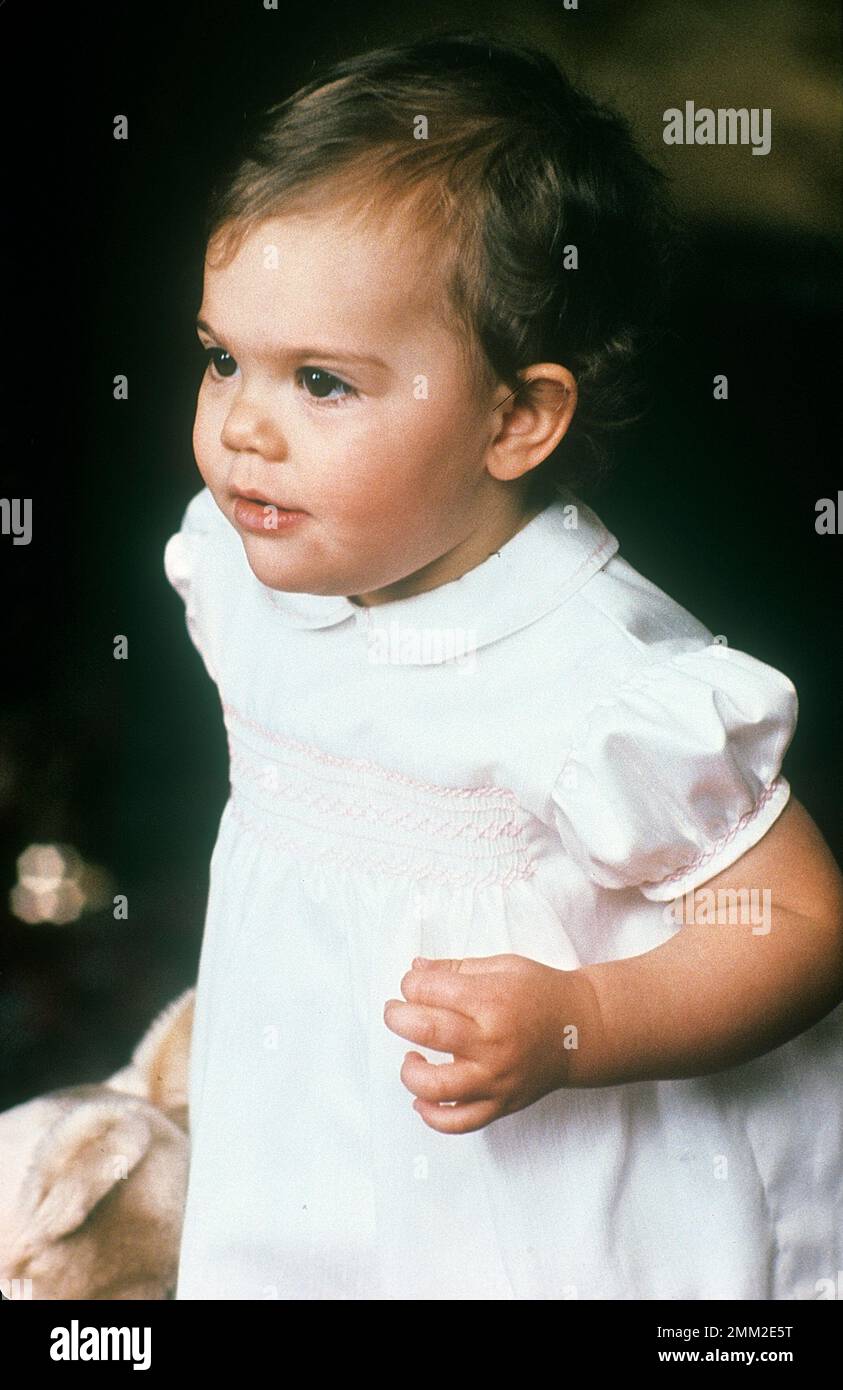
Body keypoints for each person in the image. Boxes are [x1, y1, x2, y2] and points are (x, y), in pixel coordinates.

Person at [162, 32, 843, 1300]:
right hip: (310, 1138)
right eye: (221, 359)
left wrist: (577, 1023)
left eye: (320, 381)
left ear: (516, 419)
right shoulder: (248, 570)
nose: (242, 427)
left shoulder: (594, 673)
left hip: (545, 1190)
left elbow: (800, 925)